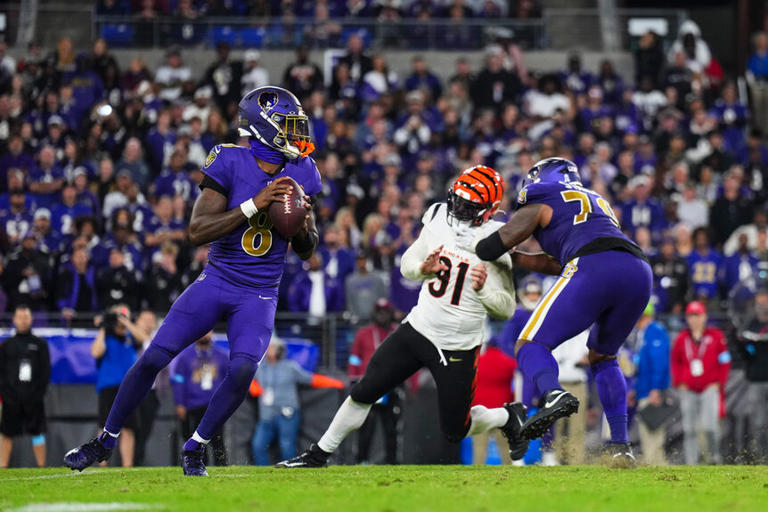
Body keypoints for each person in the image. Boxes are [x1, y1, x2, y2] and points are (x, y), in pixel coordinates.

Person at [64, 86, 322, 477]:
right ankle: (105, 440)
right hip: (218, 278)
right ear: (262, 127)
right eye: (288, 125)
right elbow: (198, 230)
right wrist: (256, 203)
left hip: (259, 293)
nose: (297, 134)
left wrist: (301, 223)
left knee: (242, 370)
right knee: (152, 356)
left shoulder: (303, 171)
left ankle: (195, 447)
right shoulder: (230, 160)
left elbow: (307, 249)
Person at [277, 166, 527, 468]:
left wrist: (484, 289)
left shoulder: (498, 242)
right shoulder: (437, 217)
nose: (458, 210)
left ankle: (507, 416)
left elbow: (506, 308)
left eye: (468, 206)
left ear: (490, 211)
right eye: (456, 202)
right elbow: (408, 263)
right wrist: (423, 269)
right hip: (419, 327)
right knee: (364, 391)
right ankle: (318, 455)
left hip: (457, 345)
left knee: (456, 430)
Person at [471, 157, 653, 465]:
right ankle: (620, 447)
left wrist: (480, 246)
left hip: (594, 265)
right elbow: (557, 261)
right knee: (603, 356)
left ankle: (553, 394)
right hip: (638, 270)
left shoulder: (543, 194)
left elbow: (504, 238)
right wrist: (517, 259)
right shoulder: (596, 199)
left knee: (529, 343)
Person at [250, 338, 343, 465]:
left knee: (287, 445)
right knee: (258, 445)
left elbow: (310, 379)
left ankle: (290, 468)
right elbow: (248, 379)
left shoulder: (289, 367)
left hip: (286, 414)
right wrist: (253, 386)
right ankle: (262, 472)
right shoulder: (260, 369)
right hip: (266, 415)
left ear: (279, 350)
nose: (269, 351)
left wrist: (335, 383)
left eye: (272, 347)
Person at [671, 301, 730, 465]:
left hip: (709, 387)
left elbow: (725, 360)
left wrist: (719, 382)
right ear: (687, 318)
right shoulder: (681, 338)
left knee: (710, 427)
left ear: (704, 317)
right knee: (689, 428)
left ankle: (714, 458)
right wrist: (679, 381)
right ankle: (692, 462)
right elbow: (675, 361)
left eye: (697, 315)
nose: (694, 319)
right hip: (688, 388)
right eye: (691, 315)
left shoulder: (716, 336)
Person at [91, 304, 149, 468]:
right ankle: (102, 464)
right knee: (104, 427)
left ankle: (127, 466)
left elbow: (145, 339)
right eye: (117, 316)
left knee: (128, 428)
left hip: (129, 386)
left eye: (124, 315)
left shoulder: (130, 335)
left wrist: (126, 322)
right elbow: (95, 352)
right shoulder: (106, 336)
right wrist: (104, 326)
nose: (120, 319)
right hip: (108, 386)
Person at [348, 299, 399, 464]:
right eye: (378, 312)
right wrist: (354, 379)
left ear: (391, 314)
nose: (382, 315)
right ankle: (361, 460)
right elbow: (355, 357)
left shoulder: (397, 332)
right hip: (368, 384)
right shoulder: (364, 333)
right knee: (366, 426)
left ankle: (392, 461)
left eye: (385, 312)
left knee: (391, 428)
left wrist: (408, 385)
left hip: (391, 386)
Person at [0, 307, 50, 468]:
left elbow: (45, 372)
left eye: (26, 316)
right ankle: (3, 466)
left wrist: (37, 394)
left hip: (33, 398)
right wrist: (7, 394)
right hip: (11, 399)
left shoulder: (40, 344)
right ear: (14, 319)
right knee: (7, 434)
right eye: (20, 317)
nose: (23, 320)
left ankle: (41, 467)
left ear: (31, 319)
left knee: (38, 433)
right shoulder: (6, 345)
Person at [171, 332, 229, 467]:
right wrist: (180, 403)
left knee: (218, 440)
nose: (205, 334)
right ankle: (199, 466)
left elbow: (229, 382)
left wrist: (225, 403)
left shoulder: (221, 356)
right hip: (193, 405)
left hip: (214, 406)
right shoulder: (185, 357)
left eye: (208, 331)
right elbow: (179, 381)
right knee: (195, 438)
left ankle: (222, 467)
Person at [632, 302, 671, 465]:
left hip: (651, 391)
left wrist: (655, 389)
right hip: (644, 389)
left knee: (653, 432)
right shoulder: (644, 333)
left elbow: (659, 363)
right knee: (647, 432)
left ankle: (656, 465)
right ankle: (653, 464)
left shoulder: (655, 333)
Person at [472, 337, 517, 465]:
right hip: (500, 410)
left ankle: (477, 469)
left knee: (480, 446)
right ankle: (508, 472)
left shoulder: (477, 361)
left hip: (480, 410)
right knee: (504, 448)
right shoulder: (508, 362)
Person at [735, 290, 768, 461]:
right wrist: (741, 343)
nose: (762, 307)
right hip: (756, 380)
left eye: (765, 303)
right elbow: (745, 354)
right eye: (759, 303)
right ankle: (762, 459)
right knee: (759, 423)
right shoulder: (749, 325)